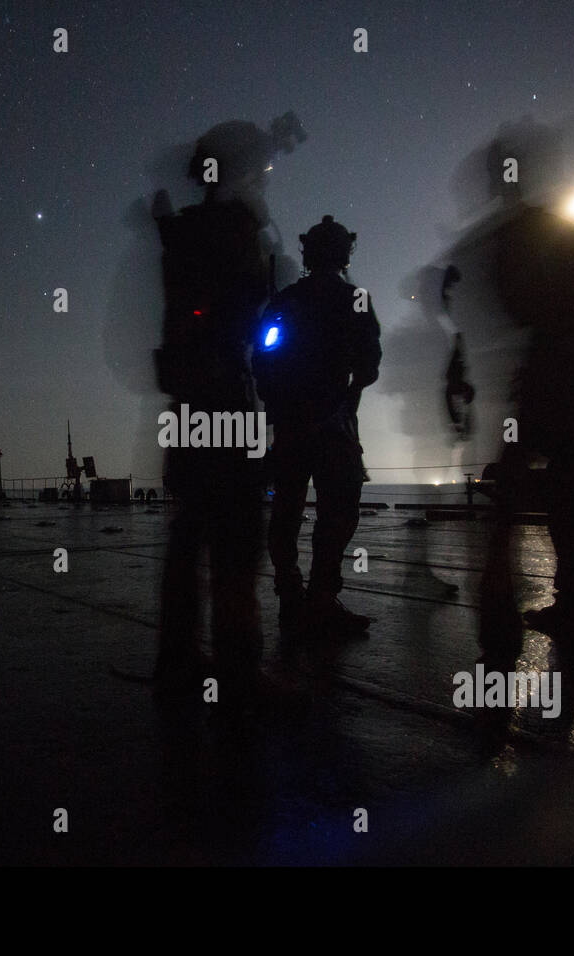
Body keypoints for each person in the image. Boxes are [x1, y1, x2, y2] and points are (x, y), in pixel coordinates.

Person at [151, 113, 305, 702]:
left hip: (190, 401)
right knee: (240, 539)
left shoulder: (187, 229)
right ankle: (240, 674)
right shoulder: (235, 229)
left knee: (189, 534)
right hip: (224, 398)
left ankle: (179, 660)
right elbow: (243, 314)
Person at [253, 215, 382, 636]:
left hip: (293, 425)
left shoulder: (285, 301)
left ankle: (291, 594)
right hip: (334, 424)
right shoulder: (355, 299)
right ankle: (321, 599)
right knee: (337, 513)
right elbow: (368, 366)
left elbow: (263, 360)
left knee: (287, 510)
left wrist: (281, 405)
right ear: (345, 253)